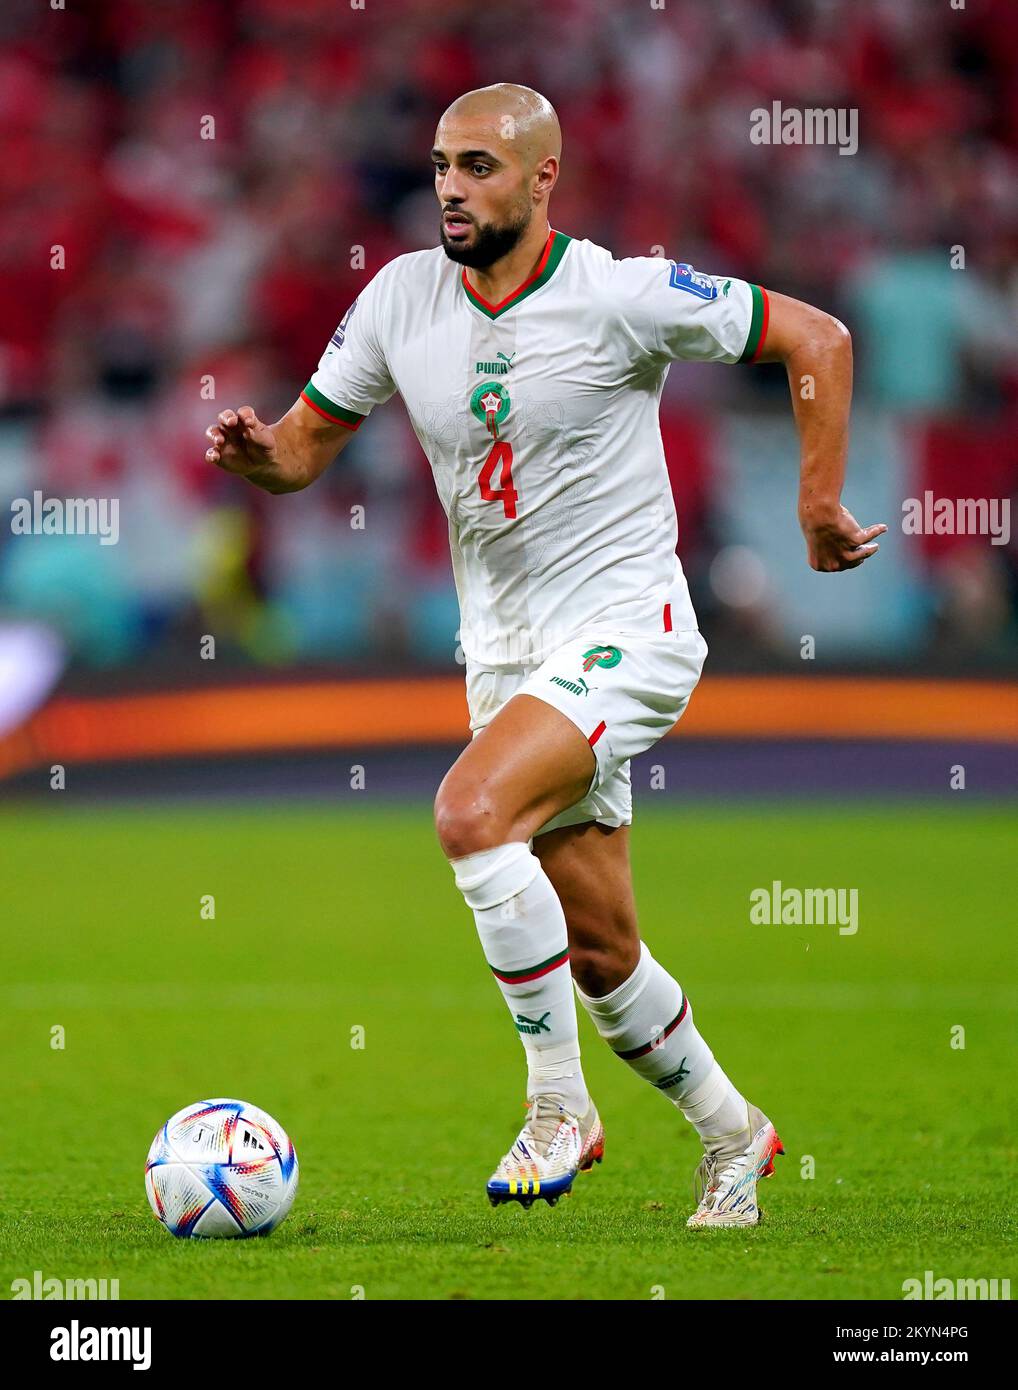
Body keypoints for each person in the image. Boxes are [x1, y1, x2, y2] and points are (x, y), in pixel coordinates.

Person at [205, 83, 885, 1226]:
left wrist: (817, 502)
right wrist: (255, 455)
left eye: (477, 167)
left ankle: (555, 1104)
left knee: (469, 814)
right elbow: (303, 452)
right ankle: (734, 1134)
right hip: (507, 657)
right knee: (602, 955)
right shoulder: (398, 300)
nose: (452, 190)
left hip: (630, 628)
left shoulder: (620, 292)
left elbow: (816, 336)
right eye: (439, 167)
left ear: (540, 178)